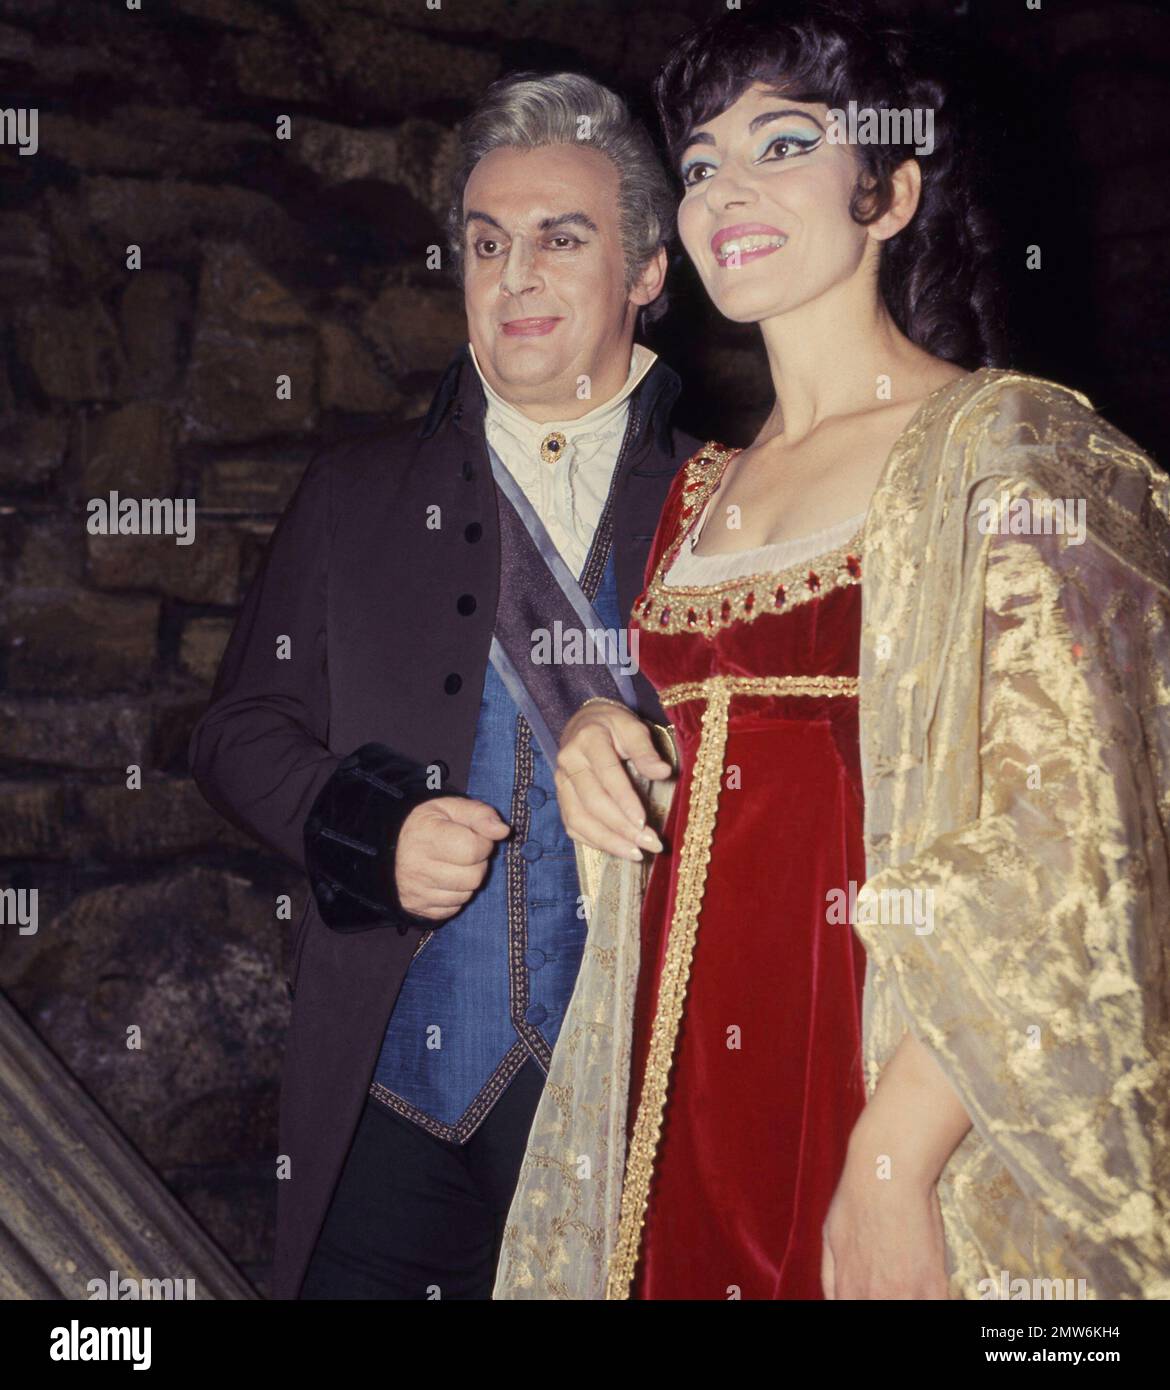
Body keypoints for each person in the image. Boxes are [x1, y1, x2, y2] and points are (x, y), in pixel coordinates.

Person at [494, 0, 1170, 1301]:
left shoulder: (1005, 450)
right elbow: (720, 786)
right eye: (697, 164)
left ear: (891, 188)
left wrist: (890, 1164)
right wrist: (608, 742)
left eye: (782, 144)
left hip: (893, 1083)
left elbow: (1071, 835)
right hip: (678, 1076)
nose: (723, 192)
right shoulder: (695, 495)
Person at [189, 71, 700, 1300]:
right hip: (385, 1109)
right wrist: (371, 827)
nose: (514, 273)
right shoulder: (353, 496)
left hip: (635, 1105)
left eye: (560, 239)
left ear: (646, 273)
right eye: (485, 243)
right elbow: (235, 735)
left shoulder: (734, 499)